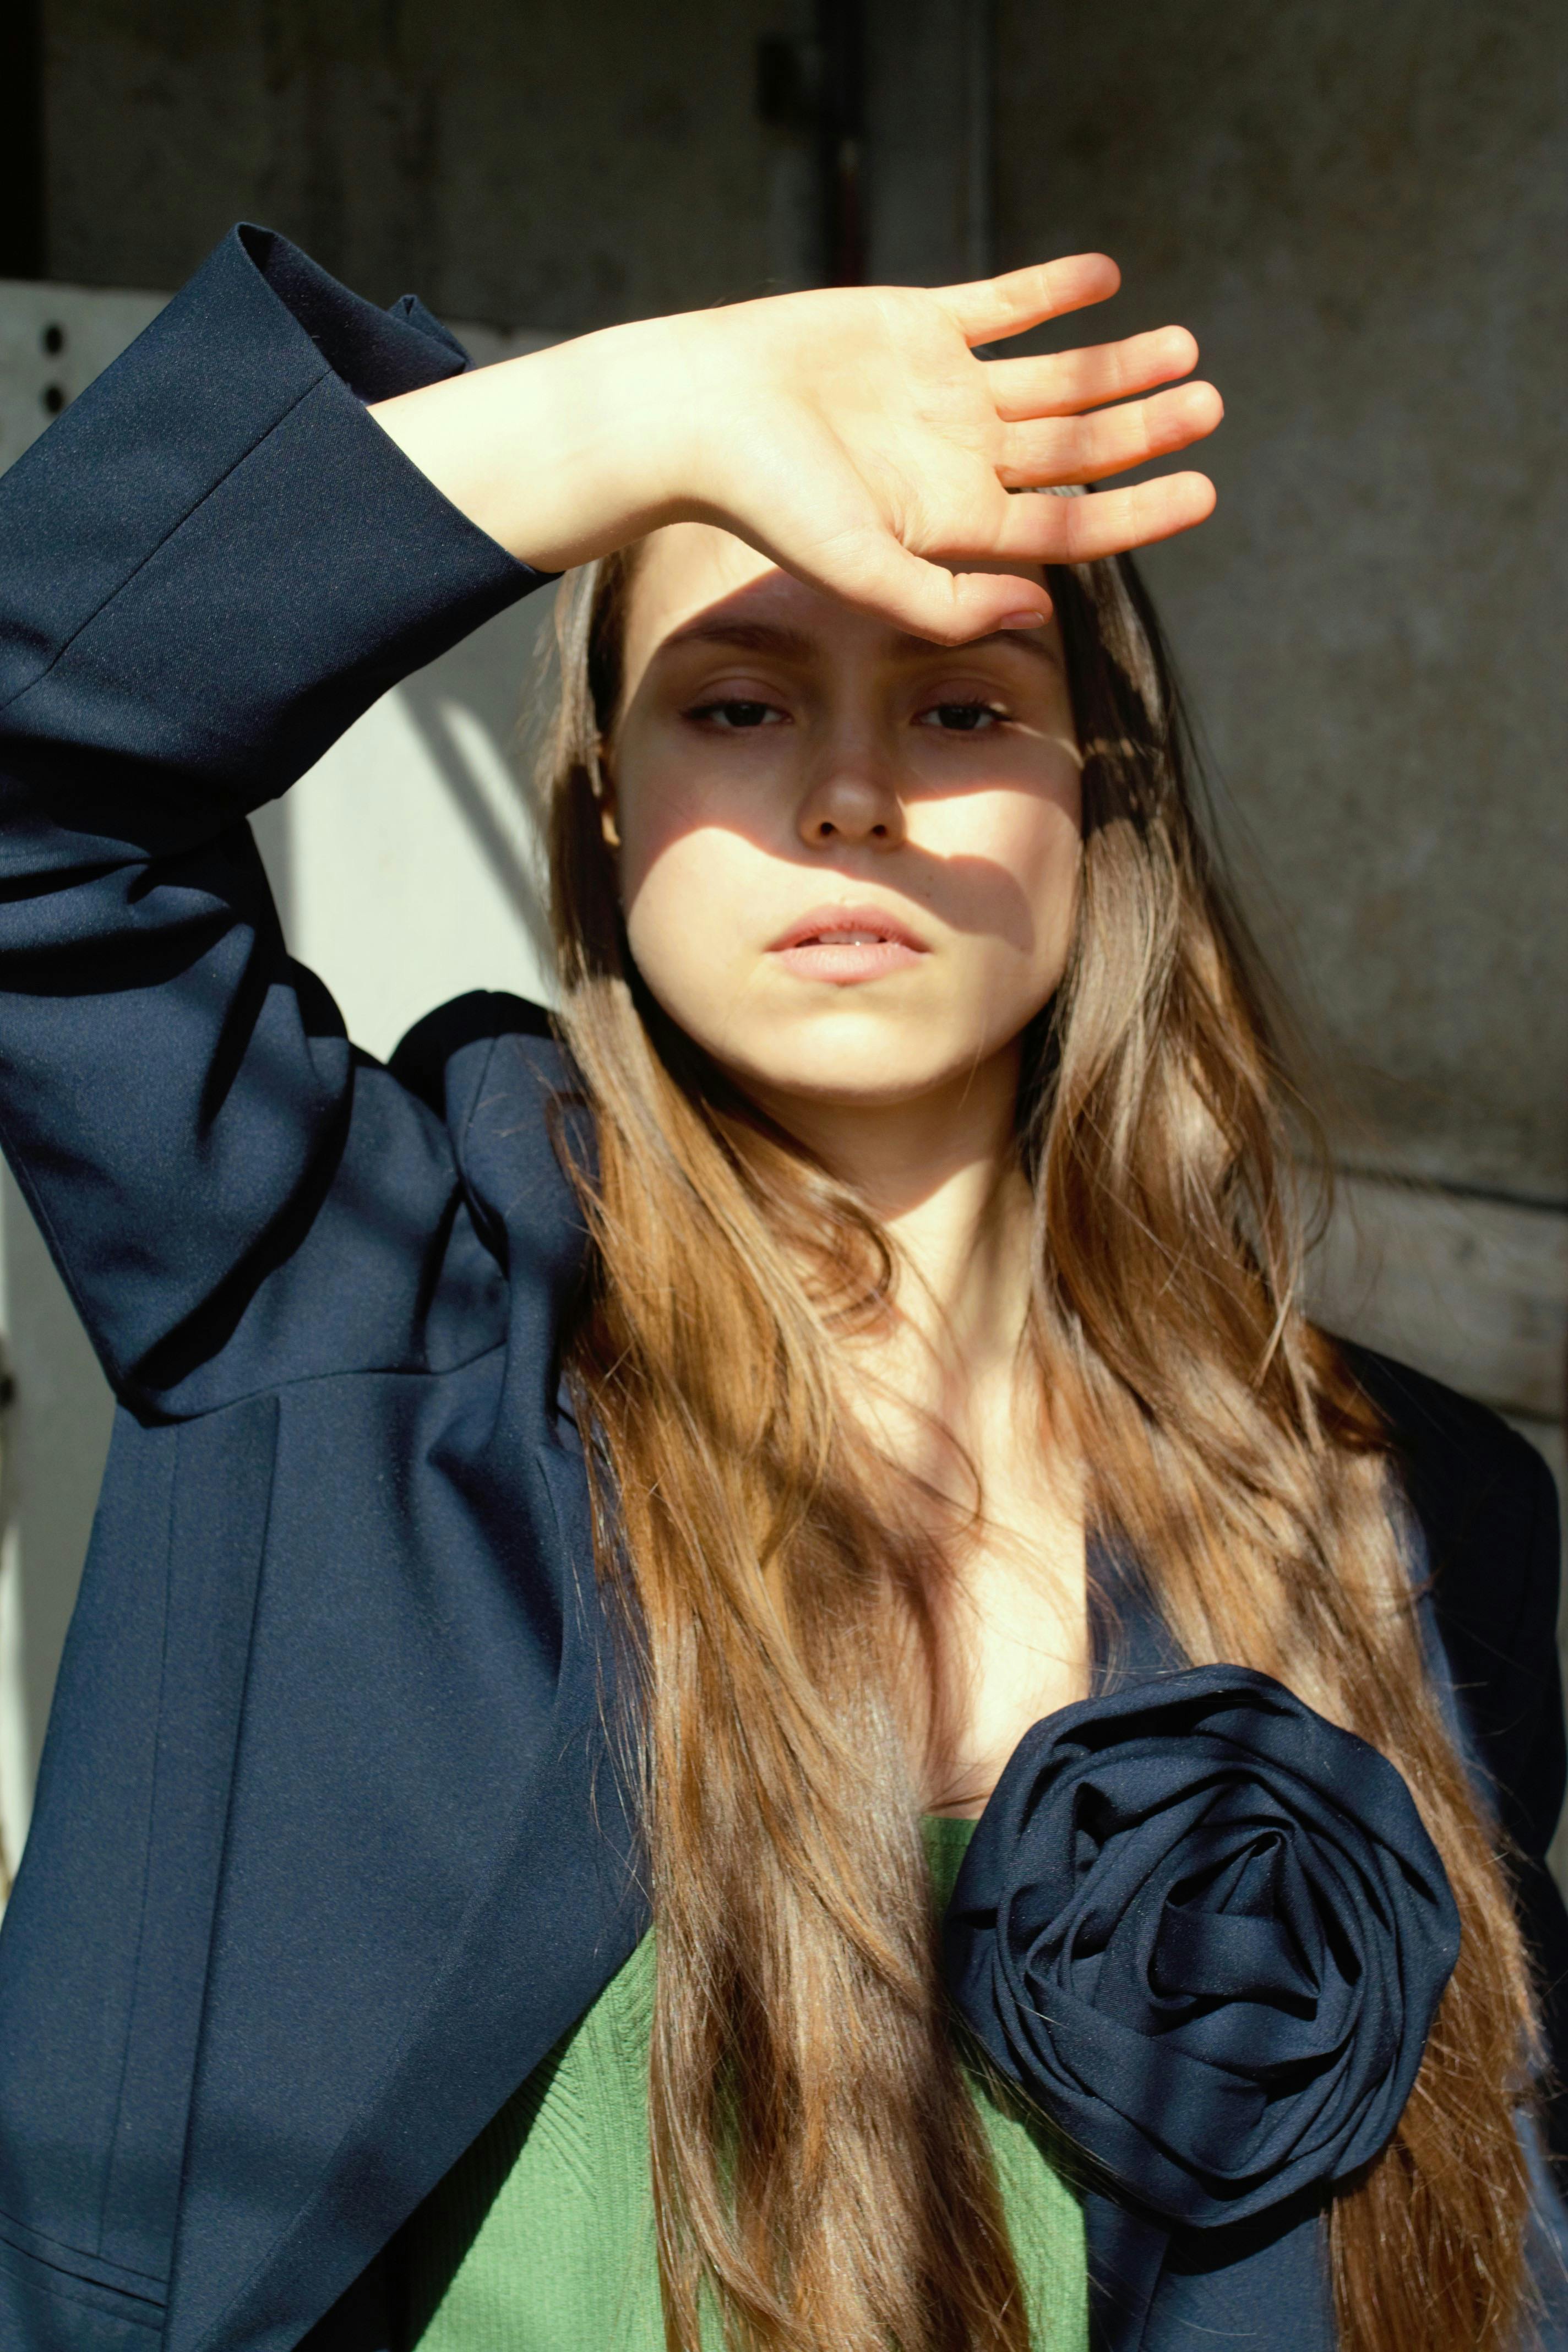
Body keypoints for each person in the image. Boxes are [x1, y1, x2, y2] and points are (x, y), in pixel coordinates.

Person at [0, 222, 1560, 2352]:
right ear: (609, 818)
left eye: (960, 703)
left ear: (1099, 814)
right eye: (736, 704)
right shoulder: (358, 1298)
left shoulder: (1422, 1510)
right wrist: (635, 420)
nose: (850, 793)